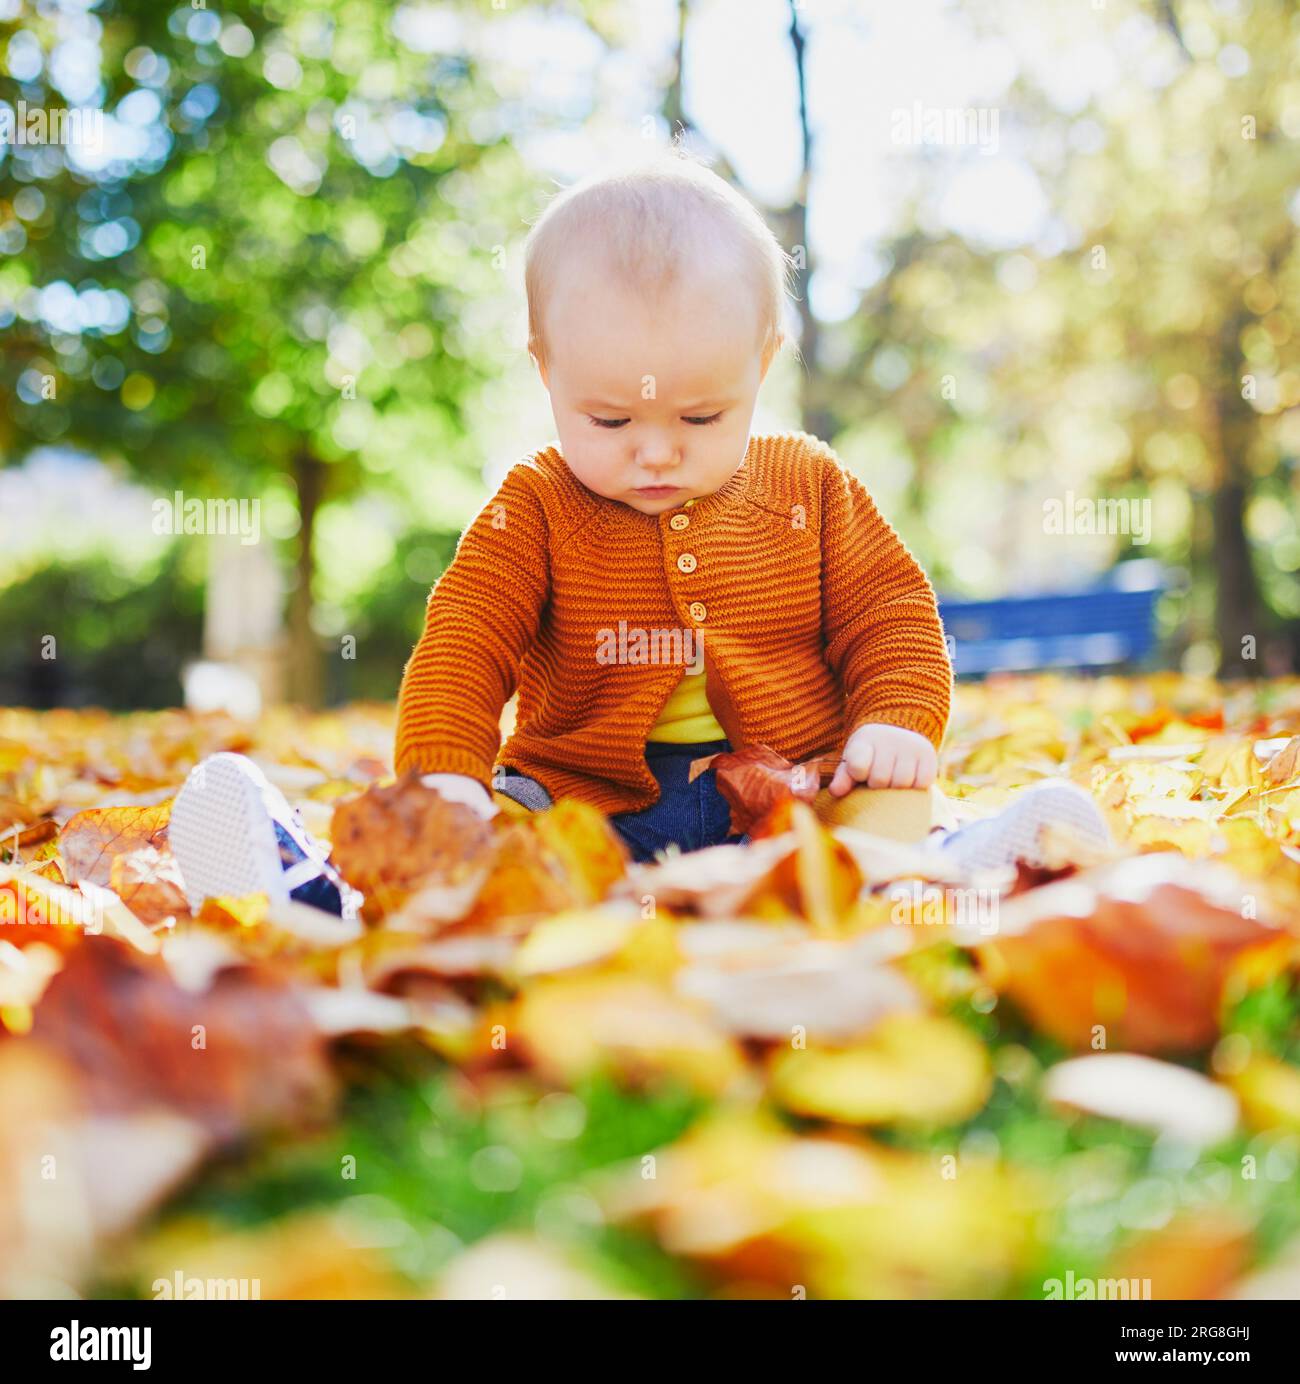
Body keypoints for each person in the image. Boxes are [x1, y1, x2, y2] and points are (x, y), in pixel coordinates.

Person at [167, 148, 1111, 912]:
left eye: (701, 419)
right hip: (581, 804)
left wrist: (897, 719)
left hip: (789, 798)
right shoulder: (534, 505)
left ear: (762, 362)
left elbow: (892, 615)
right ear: (546, 369)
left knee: (884, 812)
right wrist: (448, 777)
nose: (654, 453)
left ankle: (963, 874)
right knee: (489, 854)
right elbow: (463, 649)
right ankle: (310, 888)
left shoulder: (810, 485)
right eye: (610, 422)